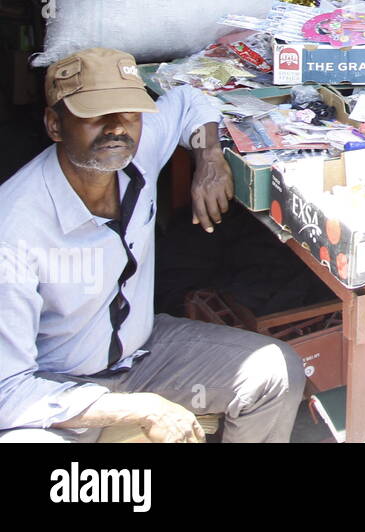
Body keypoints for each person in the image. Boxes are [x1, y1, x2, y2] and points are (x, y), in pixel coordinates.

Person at [0, 49, 305, 443]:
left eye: (128, 113)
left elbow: (189, 99)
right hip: (58, 386)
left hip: (142, 356)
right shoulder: (14, 231)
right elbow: (7, 390)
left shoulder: (135, 146)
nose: (116, 128)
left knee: (275, 372)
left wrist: (209, 158)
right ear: (55, 124)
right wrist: (143, 408)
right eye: (95, 114)